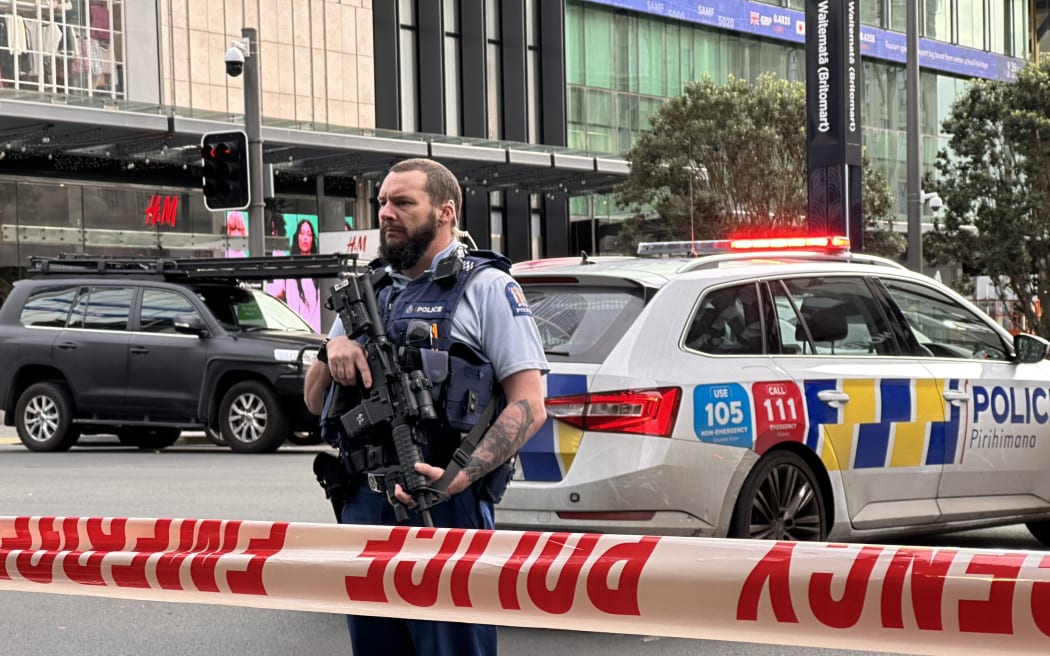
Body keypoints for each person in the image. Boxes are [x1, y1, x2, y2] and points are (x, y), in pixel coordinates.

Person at [303, 158, 548, 656]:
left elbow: (530, 405)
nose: (386, 214)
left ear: (445, 212)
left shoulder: (488, 287)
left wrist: (458, 475)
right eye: (382, 204)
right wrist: (332, 353)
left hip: (445, 502)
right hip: (366, 505)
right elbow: (313, 400)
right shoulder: (369, 293)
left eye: (402, 203)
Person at [269, 218, 321, 330]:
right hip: (296, 329)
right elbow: (275, 294)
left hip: (316, 330)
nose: (305, 237)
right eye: (302, 233)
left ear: (313, 239)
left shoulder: (318, 268)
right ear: (297, 237)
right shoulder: (289, 267)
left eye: (309, 234)